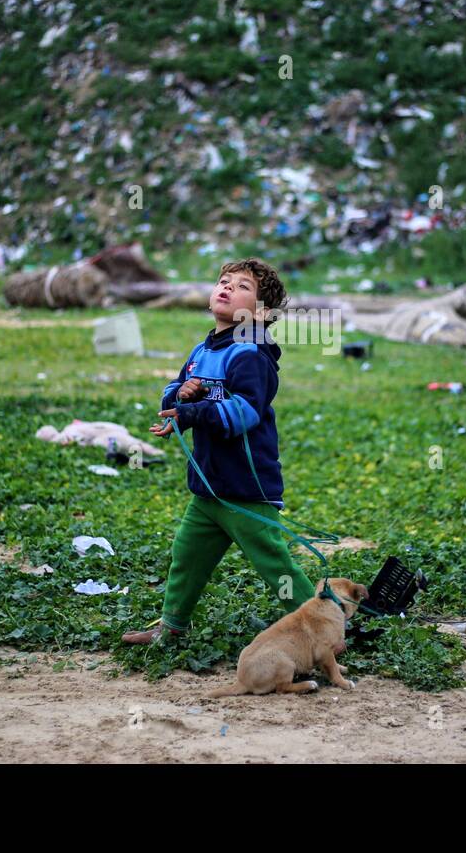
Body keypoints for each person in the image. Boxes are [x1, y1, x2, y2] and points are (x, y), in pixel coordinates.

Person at [121, 258, 314, 644]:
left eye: (242, 286)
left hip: (245, 487)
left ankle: (325, 629)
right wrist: (180, 397)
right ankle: (171, 627)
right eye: (223, 281)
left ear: (260, 312)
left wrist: (194, 412)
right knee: (187, 557)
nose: (227, 288)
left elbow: (244, 412)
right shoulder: (203, 350)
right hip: (208, 489)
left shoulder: (251, 354)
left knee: (275, 566)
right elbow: (174, 391)